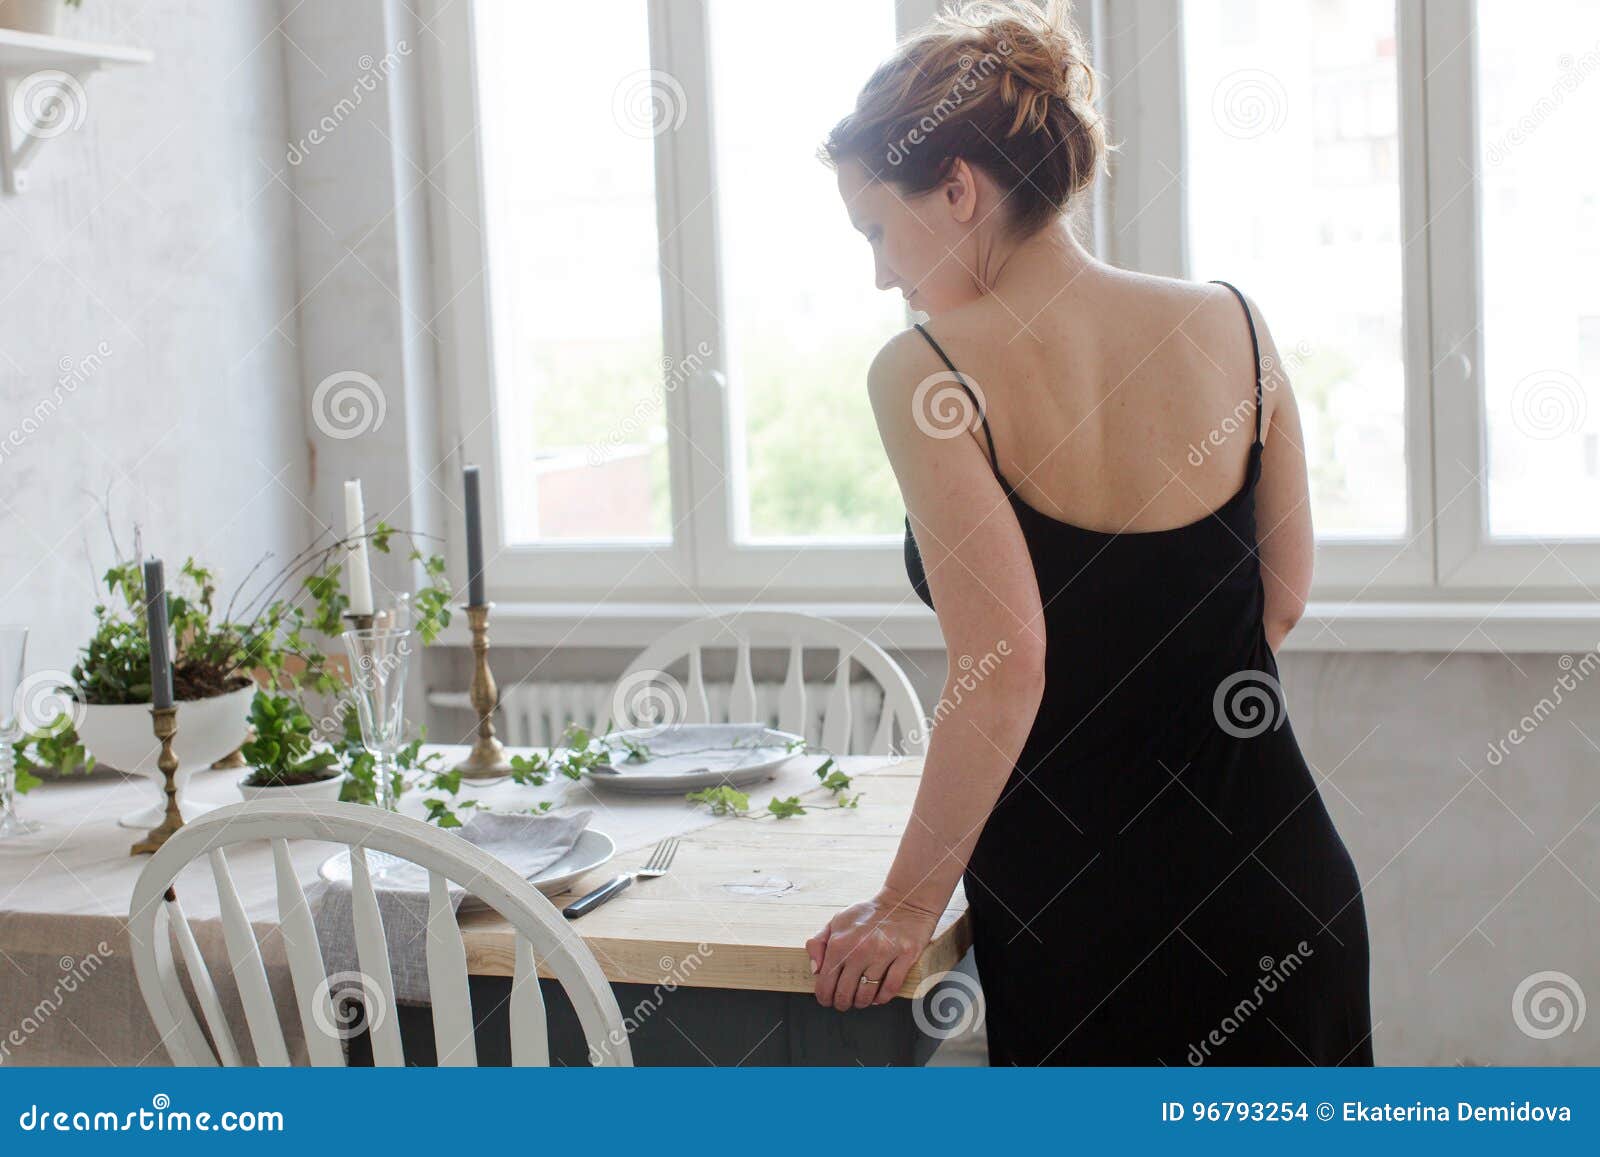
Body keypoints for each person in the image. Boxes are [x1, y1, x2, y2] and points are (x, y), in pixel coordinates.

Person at [802, 0, 1374, 1066]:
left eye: (876, 230)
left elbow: (1006, 661)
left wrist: (906, 904)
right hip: (1281, 887)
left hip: (1082, 919)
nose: (882, 272)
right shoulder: (1237, 323)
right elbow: (1282, 595)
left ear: (958, 188)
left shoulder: (925, 369)